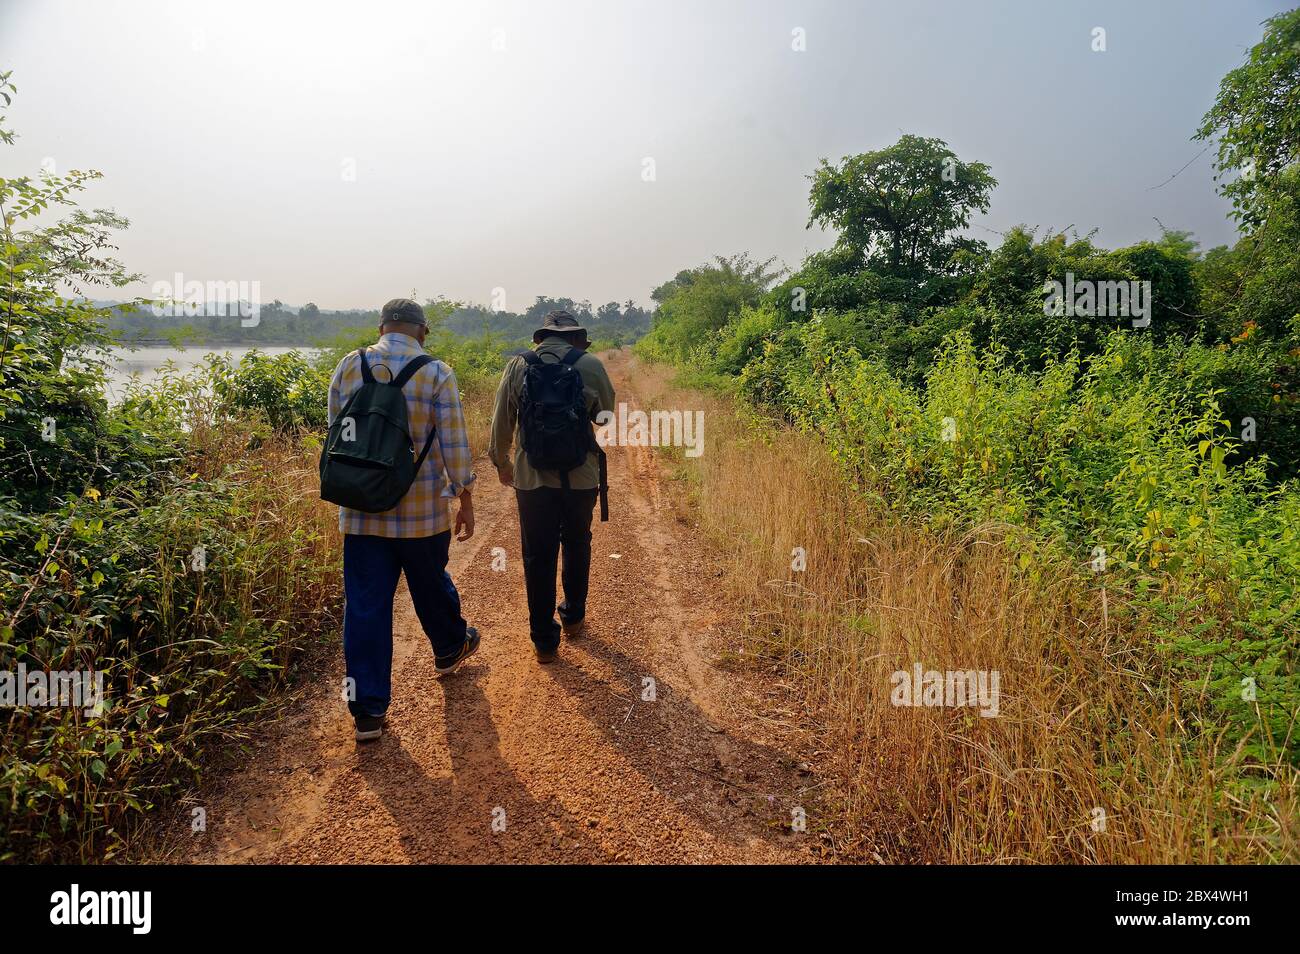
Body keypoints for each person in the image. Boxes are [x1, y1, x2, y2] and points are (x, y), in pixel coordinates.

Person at [326, 298, 479, 742]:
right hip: (422, 513)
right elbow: (454, 442)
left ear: (381, 327)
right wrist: (464, 495)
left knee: (366, 607)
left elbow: (337, 432)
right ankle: (450, 646)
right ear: (422, 331)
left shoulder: (349, 365)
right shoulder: (436, 372)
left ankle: (368, 712)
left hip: (361, 513)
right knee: (430, 583)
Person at [487, 310, 614, 663]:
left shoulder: (518, 365)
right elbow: (606, 417)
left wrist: (502, 463)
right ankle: (573, 617)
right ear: (577, 337)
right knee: (576, 541)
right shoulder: (590, 364)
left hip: (532, 479)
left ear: (540, 337)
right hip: (581, 476)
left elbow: (501, 421)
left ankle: (543, 641)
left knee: (537, 554)